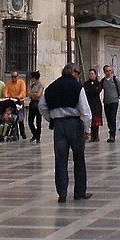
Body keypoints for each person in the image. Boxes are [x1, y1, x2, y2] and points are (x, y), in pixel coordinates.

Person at [39, 63, 93, 202]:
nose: (79, 76)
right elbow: (85, 111)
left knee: (60, 160)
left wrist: (51, 118)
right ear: (73, 72)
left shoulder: (52, 87)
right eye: (78, 73)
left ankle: (62, 193)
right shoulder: (77, 87)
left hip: (59, 125)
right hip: (74, 124)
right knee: (79, 158)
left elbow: (42, 106)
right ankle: (80, 192)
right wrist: (87, 130)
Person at [101, 64, 120, 142]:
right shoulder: (103, 81)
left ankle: (112, 135)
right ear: (104, 72)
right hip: (106, 102)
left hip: (114, 101)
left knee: (112, 117)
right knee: (108, 119)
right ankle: (110, 131)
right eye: (107, 71)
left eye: (110, 71)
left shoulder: (115, 79)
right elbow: (98, 89)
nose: (108, 72)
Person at [3, 69, 28, 140]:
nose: (13, 78)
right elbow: (5, 90)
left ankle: (22, 133)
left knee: (20, 118)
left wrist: (19, 96)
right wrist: (5, 95)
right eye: (12, 77)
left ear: (18, 76)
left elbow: (23, 91)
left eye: (15, 76)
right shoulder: (9, 83)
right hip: (12, 102)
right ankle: (15, 134)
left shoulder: (21, 82)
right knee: (13, 118)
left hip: (19, 101)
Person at [84, 68, 104, 141]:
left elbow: (98, 90)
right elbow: (86, 91)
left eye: (92, 74)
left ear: (95, 75)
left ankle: (96, 135)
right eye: (90, 74)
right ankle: (92, 136)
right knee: (91, 120)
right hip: (89, 104)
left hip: (96, 104)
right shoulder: (86, 84)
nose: (91, 75)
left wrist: (92, 90)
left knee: (96, 121)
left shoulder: (98, 83)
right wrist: (92, 90)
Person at [27, 70, 43, 143]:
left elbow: (39, 95)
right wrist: (34, 94)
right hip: (32, 103)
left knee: (38, 121)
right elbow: (28, 93)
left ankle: (38, 137)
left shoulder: (40, 85)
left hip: (38, 104)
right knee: (30, 121)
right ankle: (35, 133)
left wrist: (33, 94)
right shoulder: (32, 85)